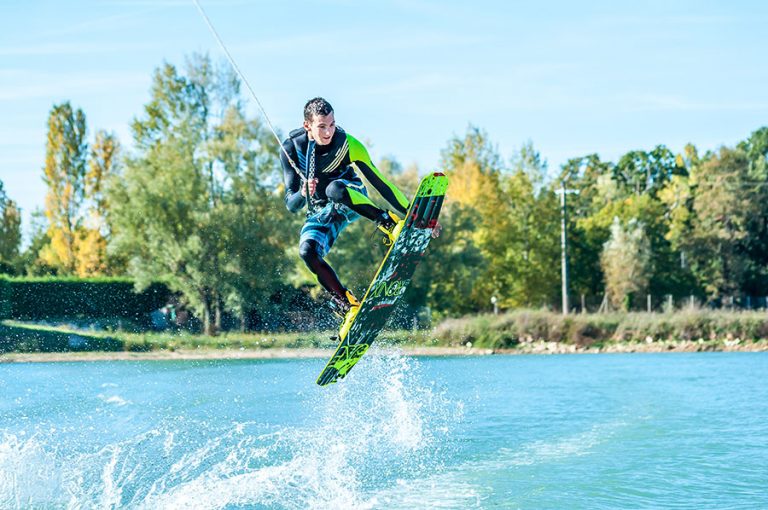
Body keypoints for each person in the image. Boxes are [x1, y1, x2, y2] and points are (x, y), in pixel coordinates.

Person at [280, 97, 412, 316]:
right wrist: (303, 193)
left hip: (350, 196)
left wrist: (412, 214)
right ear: (307, 125)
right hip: (322, 211)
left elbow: (381, 183)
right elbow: (291, 204)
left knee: (334, 189)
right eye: (322, 126)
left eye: (332, 124)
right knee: (307, 251)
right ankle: (347, 304)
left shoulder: (347, 143)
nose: (328, 132)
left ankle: (388, 223)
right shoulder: (291, 149)